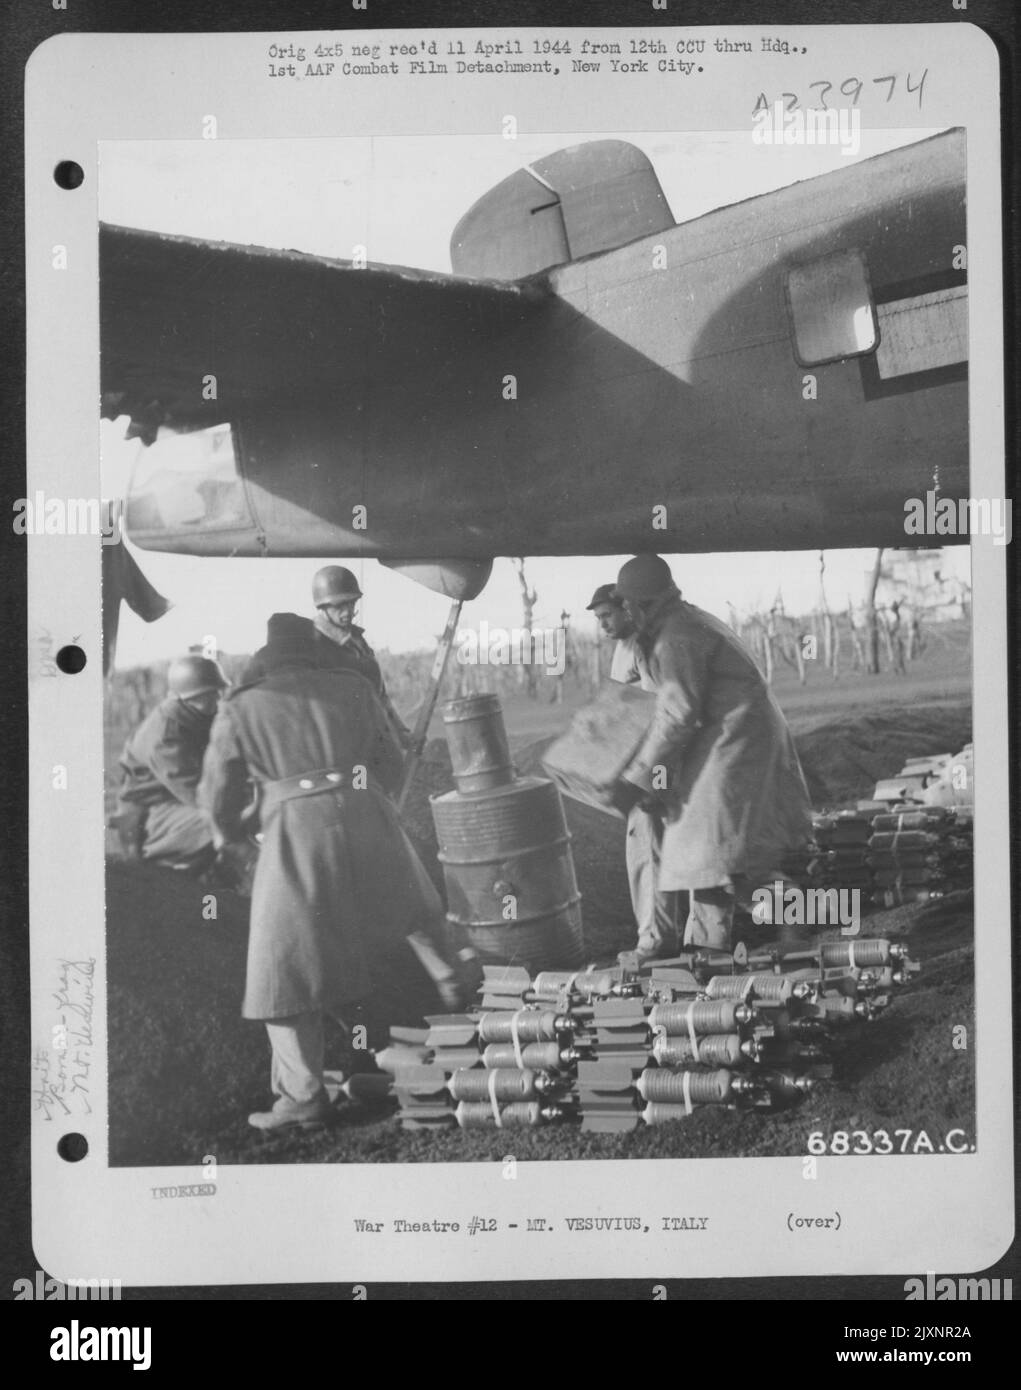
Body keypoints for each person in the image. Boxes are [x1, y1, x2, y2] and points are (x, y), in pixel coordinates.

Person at [199, 613, 448, 1132]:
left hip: (296, 830)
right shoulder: (354, 686)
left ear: (267, 660)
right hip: (367, 816)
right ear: (314, 654)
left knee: (281, 967)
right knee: (418, 917)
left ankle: (304, 1098)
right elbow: (394, 765)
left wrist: (234, 838)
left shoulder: (241, 707)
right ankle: (467, 1012)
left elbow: (218, 793)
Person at [609, 555, 812, 955]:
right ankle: (708, 948)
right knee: (704, 854)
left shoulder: (675, 637)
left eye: (628, 605)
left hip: (735, 742)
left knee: (722, 853)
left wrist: (639, 775)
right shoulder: (681, 621)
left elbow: (678, 712)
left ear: (639, 604)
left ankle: (792, 915)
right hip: (731, 738)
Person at [241, 565, 412, 748]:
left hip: (370, 745)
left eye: (351, 603)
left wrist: (401, 733)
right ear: (322, 607)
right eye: (339, 606)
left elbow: (381, 697)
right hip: (334, 749)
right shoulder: (307, 647)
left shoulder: (359, 644)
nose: (347, 612)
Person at [112, 654, 227, 870]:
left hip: (174, 804)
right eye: (209, 695)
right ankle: (173, 867)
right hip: (148, 816)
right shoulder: (166, 734)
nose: (217, 700)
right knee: (219, 820)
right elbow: (196, 793)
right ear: (186, 698)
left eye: (218, 692)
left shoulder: (197, 716)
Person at [586, 583, 640, 685]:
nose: (602, 624)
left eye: (606, 615)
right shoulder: (622, 642)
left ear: (625, 611)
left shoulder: (641, 646)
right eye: (599, 618)